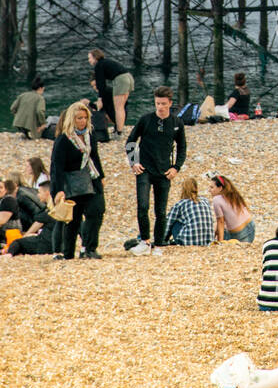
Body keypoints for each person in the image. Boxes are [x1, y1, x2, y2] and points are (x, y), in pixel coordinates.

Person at [124, 87, 186, 255]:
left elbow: (182, 149)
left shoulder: (176, 123)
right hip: (144, 169)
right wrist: (133, 162)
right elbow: (130, 141)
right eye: (158, 103)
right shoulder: (145, 120)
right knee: (143, 206)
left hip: (164, 172)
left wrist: (176, 168)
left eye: (164, 104)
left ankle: (159, 244)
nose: (160, 107)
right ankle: (145, 241)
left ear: (170, 104)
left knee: (161, 211)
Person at [50, 101, 106, 260]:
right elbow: (57, 166)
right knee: (72, 220)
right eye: (79, 118)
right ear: (71, 119)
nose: (82, 121)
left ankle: (90, 248)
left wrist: (101, 176)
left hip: (90, 177)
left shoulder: (90, 134)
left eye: (84, 118)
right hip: (71, 181)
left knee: (97, 210)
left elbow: (94, 156)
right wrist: (58, 189)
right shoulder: (63, 139)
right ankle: (67, 253)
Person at [2, 174, 54, 256]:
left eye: (39, 192)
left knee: (17, 242)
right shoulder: (54, 207)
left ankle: (8, 254)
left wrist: (27, 234)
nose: (37, 195)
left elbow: (38, 218)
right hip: (52, 242)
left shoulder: (19, 197)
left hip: (45, 243)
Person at [87, 48, 134, 133]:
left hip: (121, 79)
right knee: (121, 107)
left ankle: (118, 132)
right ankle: (119, 129)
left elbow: (101, 83)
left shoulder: (99, 65)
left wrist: (100, 99)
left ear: (95, 57)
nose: (89, 60)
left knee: (118, 108)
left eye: (89, 58)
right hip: (128, 77)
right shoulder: (106, 62)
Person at [165, 177, 215, 247]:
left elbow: (168, 223)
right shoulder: (205, 201)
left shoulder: (181, 203)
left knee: (174, 221)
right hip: (207, 240)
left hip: (189, 241)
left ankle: (164, 241)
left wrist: (161, 238)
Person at [209, 173, 255, 243]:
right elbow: (220, 222)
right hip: (251, 228)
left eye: (212, 187)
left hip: (239, 235)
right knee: (222, 228)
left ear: (220, 188)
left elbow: (220, 222)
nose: (209, 190)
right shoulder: (232, 195)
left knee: (222, 232)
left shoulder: (216, 199)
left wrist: (220, 242)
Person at [0, 177, 22, 246]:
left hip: (9, 233)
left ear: (6, 189)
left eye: (1, 187)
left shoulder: (8, 200)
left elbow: (1, 221)